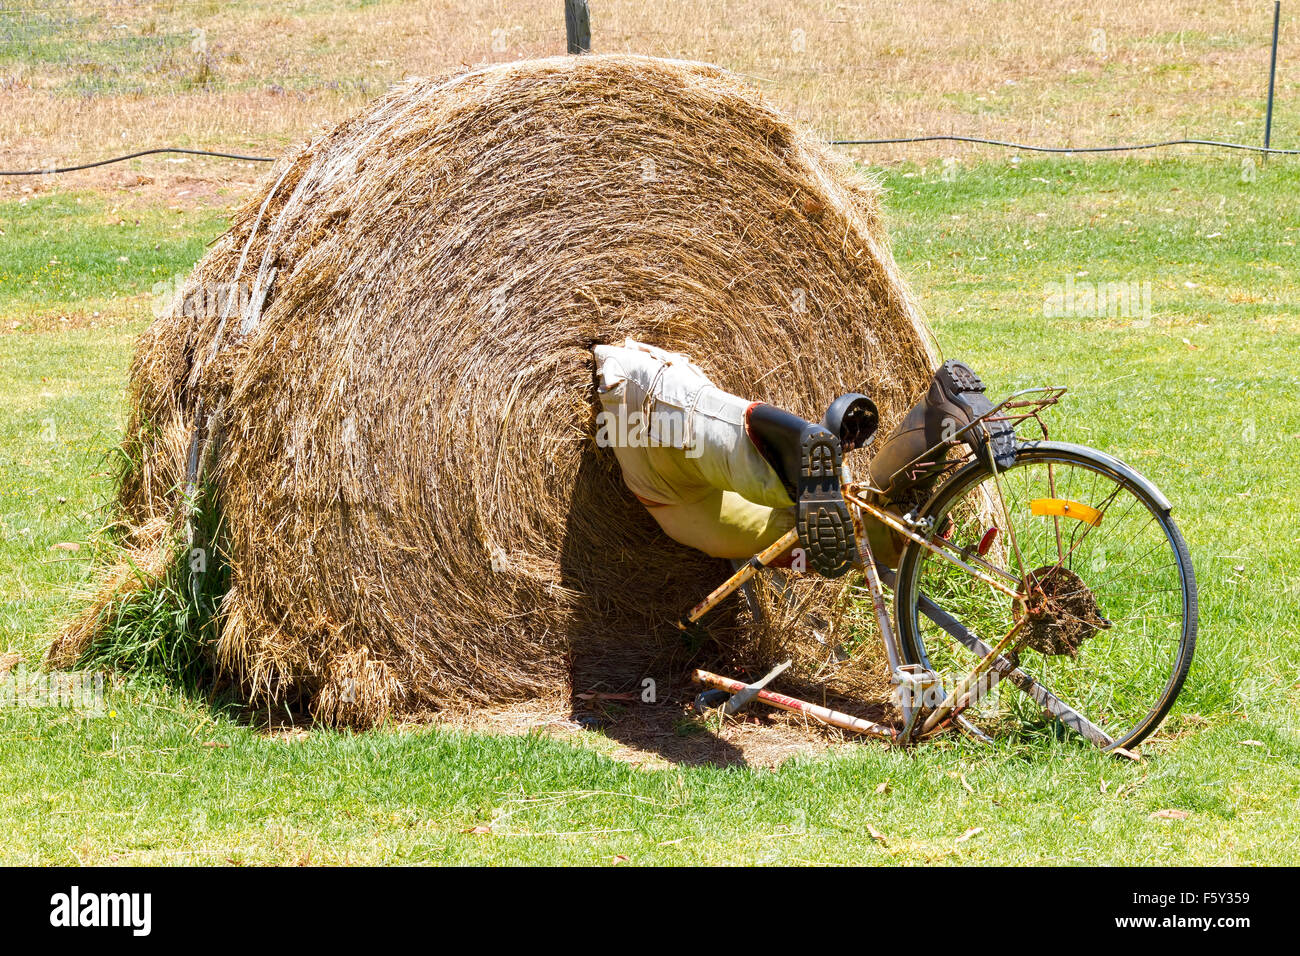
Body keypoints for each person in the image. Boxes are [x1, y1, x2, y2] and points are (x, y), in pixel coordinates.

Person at [592, 339, 1007, 577]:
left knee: (717, 441)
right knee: (717, 435)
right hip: (643, 388)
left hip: (660, 447)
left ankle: (816, 450)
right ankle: (928, 421)